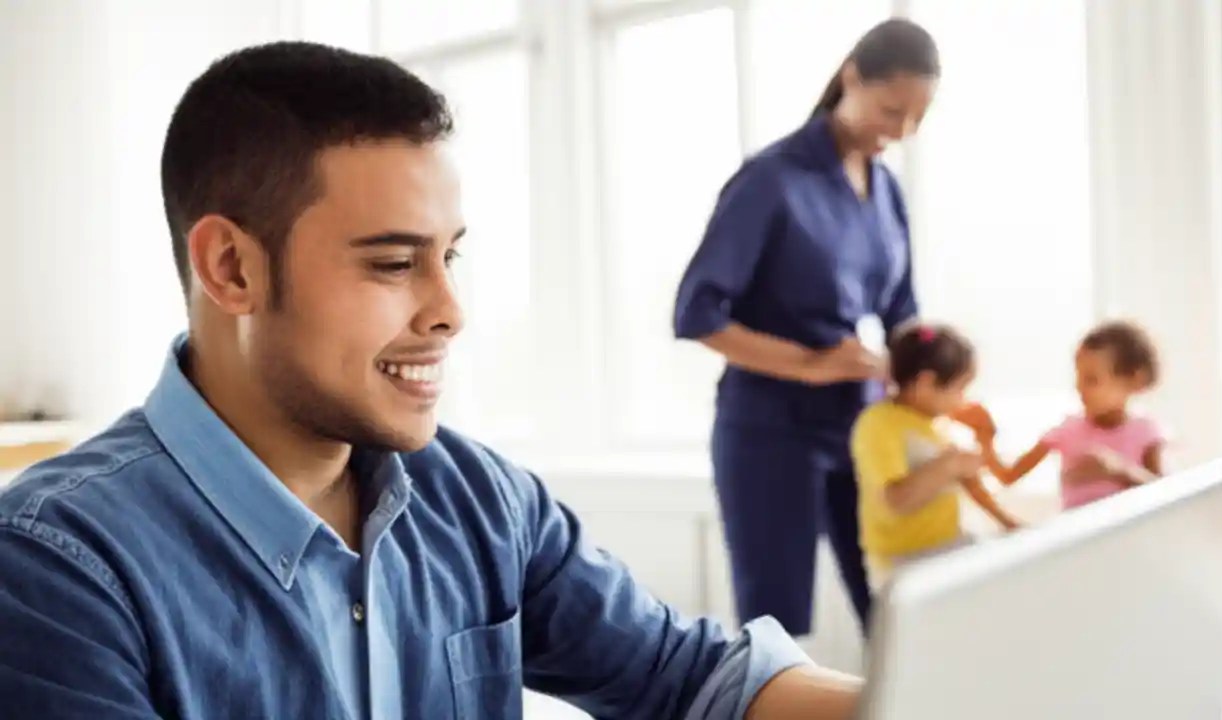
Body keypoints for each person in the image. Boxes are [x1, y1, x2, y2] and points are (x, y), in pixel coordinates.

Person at [0, 42, 865, 718]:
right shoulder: (54, 564)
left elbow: (700, 685)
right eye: (392, 263)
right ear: (232, 268)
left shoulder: (480, 499)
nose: (451, 310)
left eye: (449, 256)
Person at [673, 18, 939, 637]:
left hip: (861, 428)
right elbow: (696, 312)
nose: (899, 132)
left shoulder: (888, 191)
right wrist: (812, 364)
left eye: (917, 119)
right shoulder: (770, 179)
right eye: (890, 110)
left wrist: (937, 384)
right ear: (851, 77)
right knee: (776, 628)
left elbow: (904, 315)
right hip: (769, 433)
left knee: (898, 613)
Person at [851, 323, 1020, 591]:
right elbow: (896, 500)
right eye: (960, 388)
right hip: (903, 563)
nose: (963, 400)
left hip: (946, 548)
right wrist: (949, 464)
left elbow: (972, 486)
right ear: (926, 383)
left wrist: (1010, 524)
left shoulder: (937, 425)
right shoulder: (879, 424)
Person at [964, 321, 1165, 510]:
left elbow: (1165, 494)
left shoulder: (1146, 432)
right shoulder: (1067, 431)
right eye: (1078, 376)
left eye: (1091, 380)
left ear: (1133, 381)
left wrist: (1119, 470)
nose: (1079, 387)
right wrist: (985, 438)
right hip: (1078, 539)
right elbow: (1007, 476)